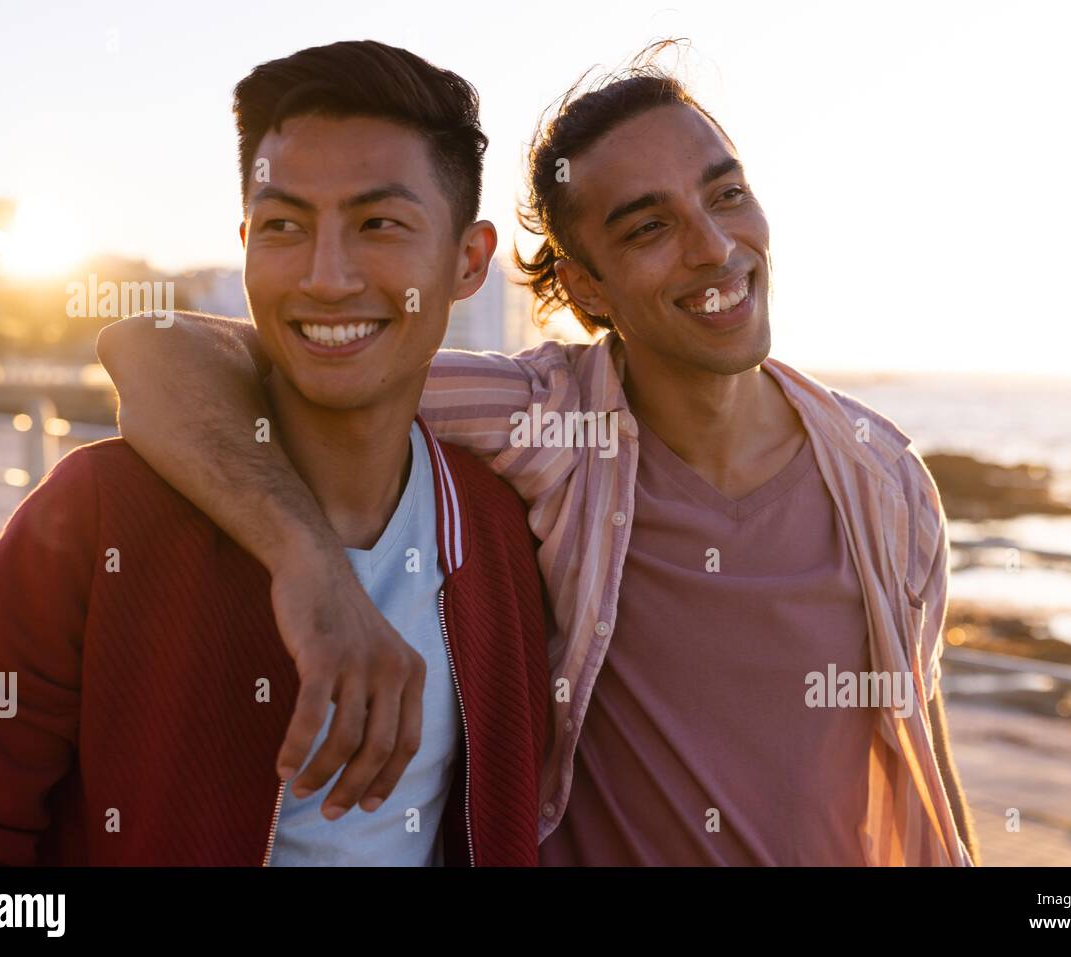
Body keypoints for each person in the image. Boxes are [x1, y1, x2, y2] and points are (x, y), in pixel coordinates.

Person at [99, 43, 979, 866]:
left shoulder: (884, 476)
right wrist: (312, 569)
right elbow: (157, 349)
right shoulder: (542, 419)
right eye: (647, 229)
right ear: (586, 286)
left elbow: (924, 757)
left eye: (726, 195)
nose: (714, 247)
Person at [0, 39, 549, 867]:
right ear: (245, 241)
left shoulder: (498, 528)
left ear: (468, 261)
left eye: (379, 224)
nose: (325, 277)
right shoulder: (94, 514)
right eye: (284, 225)